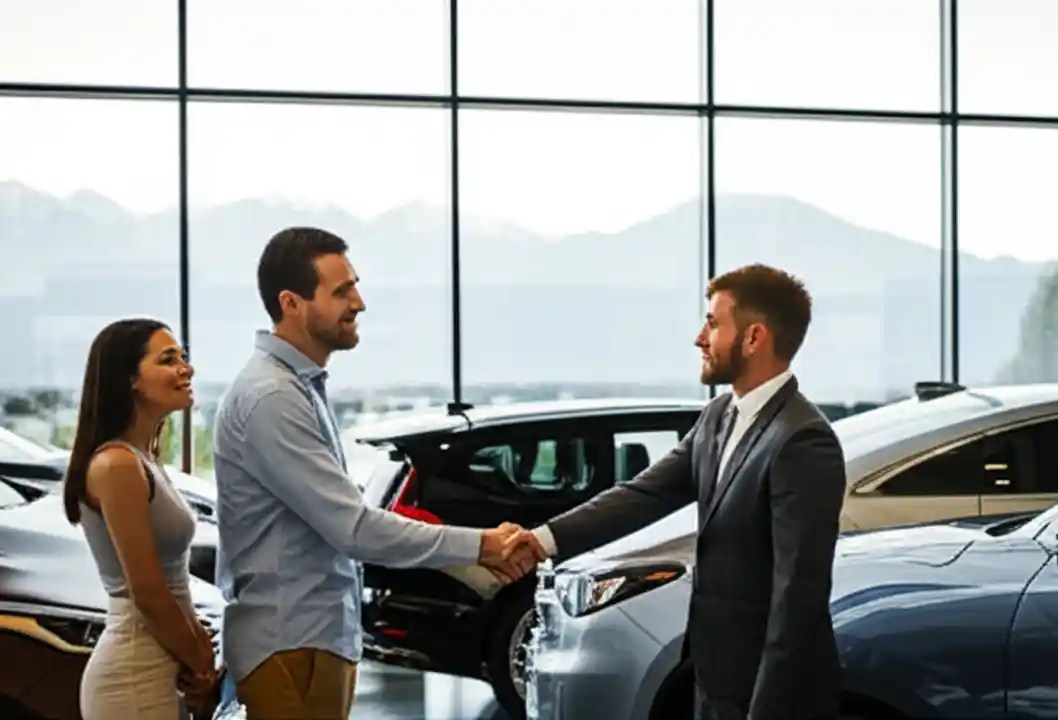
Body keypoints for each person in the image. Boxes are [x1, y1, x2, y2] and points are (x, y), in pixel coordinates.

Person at [212, 227, 538, 719]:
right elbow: (354, 529)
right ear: (291, 303)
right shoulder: (273, 398)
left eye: (355, 285)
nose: (359, 302)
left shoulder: (293, 388)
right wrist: (483, 545)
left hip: (307, 640)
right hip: (290, 643)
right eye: (341, 290)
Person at [510, 264, 846, 720]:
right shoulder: (718, 417)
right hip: (712, 677)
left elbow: (797, 598)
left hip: (766, 694)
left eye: (712, 322)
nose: (699, 337)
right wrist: (543, 539)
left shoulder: (802, 440)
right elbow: (643, 494)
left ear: (754, 337)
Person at [65, 318, 221, 719]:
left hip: (163, 664)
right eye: (168, 360)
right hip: (134, 672)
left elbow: (172, 583)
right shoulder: (116, 464)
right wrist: (200, 663)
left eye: (183, 357)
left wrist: (197, 651)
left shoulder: (144, 459)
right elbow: (148, 592)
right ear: (130, 379)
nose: (186, 368)